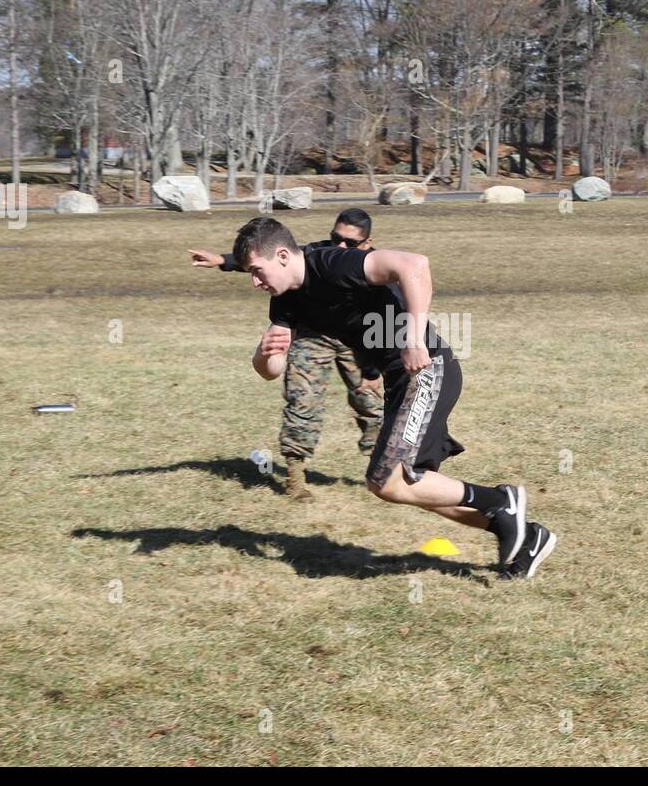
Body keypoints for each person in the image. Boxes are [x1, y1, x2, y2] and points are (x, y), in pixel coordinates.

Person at [228, 215, 558, 579]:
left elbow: (414, 264)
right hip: (399, 380)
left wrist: (414, 338)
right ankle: (527, 537)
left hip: (426, 369)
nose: (256, 282)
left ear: (284, 257)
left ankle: (501, 502)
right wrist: (262, 353)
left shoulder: (332, 263)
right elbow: (271, 369)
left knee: (386, 480)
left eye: (258, 270)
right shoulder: (285, 300)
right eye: (250, 274)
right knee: (413, 486)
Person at [189, 209, 383, 501]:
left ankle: (380, 469)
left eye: (350, 243)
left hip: (356, 341)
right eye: (335, 238)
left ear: (367, 243)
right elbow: (269, 260)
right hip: (313, 337)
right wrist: (222, 261)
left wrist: (376, 367)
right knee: (302, 401)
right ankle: (295, 475)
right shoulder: (316, 254)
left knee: (371, 403)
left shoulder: (371, 265)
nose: (340, 247)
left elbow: (387, 308)